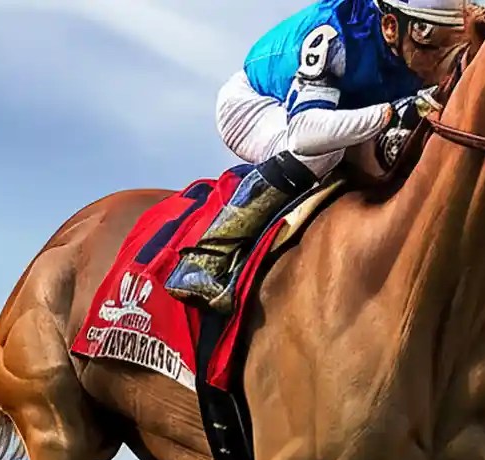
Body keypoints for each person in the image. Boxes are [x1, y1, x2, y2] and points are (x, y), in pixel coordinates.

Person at [164, 0, 468, 313]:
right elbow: (306, 134)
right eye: (429, 38)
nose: (438, 61)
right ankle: (204, 260)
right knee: (323, 152)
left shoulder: (411, 38)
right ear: (391, 26)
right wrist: (392, 113)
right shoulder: (332, 35)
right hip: (259, 105)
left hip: (337, 108)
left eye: (452, 39)